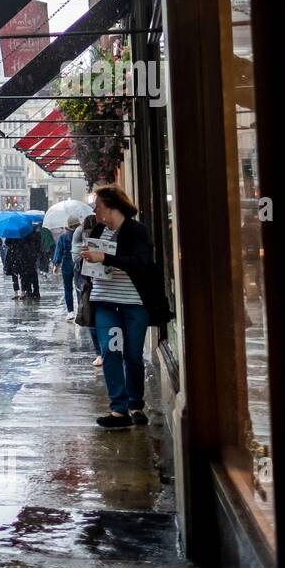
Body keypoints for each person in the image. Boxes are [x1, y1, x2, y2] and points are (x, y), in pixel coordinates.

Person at [81, 184, 172, 430]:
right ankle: (118, 409)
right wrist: (89, 262)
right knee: (111, 351)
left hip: (134, 303)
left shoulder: (137, 231)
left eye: (98, 206)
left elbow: (143, 263)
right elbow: (98, 261)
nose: (95, 211)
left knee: (133, 355)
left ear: (111, 207)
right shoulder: (99, 230)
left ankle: (135, 405)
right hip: (105, 301)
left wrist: (105, 258)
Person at [74, 215, 103, 365]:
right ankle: (101, 351)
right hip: (92, 286)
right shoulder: (83, 243)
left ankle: (100, 352)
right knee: (94, 320)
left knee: (93, 320)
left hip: (94, 286)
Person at [53, 217, 80, 317]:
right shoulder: (81, 236)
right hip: (79, 263)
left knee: (68, 288)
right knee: (79, 287)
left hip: (67, 264)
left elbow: (58, 252)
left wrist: (56, 264)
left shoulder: (63, 237)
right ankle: (81, 310)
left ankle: (70, 312)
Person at [6, 233, 40, 299]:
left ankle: (21, 292)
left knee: (19, 274)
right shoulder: (26, 232)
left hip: (17, 255)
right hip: (20, 255)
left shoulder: (13, 233)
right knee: (21, 274)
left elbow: (7, 243)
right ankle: (22, 291)